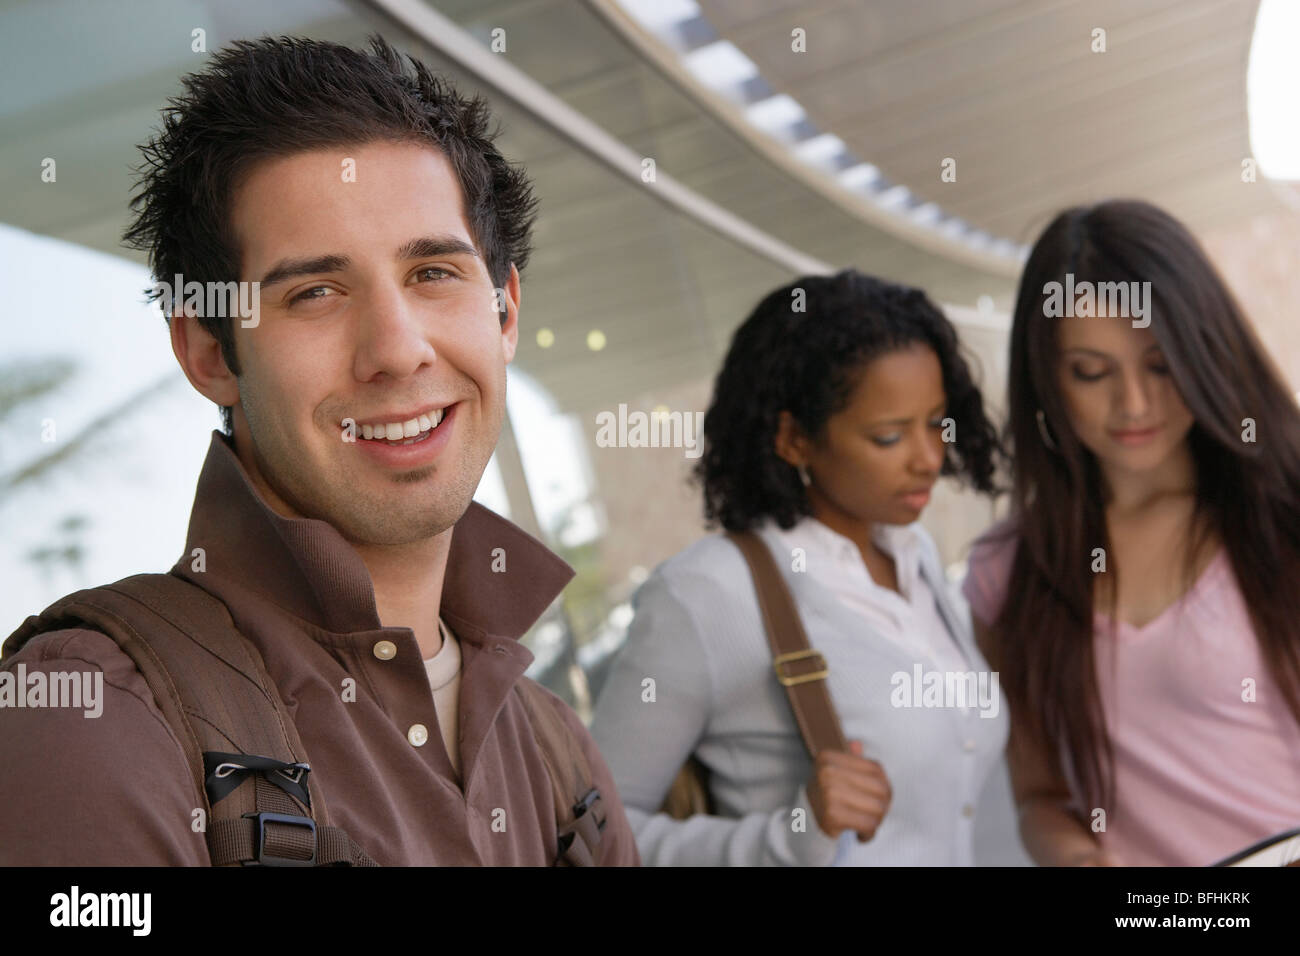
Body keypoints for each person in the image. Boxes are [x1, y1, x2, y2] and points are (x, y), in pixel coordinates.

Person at [0, 35, 639, 866]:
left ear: (506, 312)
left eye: (433, 273)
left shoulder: (559, 753)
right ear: (208, 352)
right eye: (316, 293)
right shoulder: (92, 719)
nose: (398, 349)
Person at [591, 270, 1009, 865]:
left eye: (936, 423)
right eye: (889, 436)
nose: (928, 458)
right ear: (792, 439)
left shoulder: (913, 555)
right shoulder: (708, 593)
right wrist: (789, 837)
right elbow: (597, 831)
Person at [963, 199, 1300, 866]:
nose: (1135, 405)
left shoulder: (1282, 514)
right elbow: (1039, 793)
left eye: (1160, 363)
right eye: (1091, 372)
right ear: (1046, 379)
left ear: (1205, 350)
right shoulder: (1009, 572)